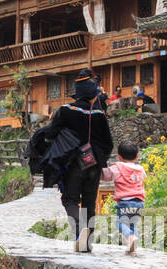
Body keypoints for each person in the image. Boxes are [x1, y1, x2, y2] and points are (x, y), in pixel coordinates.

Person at [31, 69, 114, 252]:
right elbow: (108, 143)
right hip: (95, 163)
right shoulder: (99, 114)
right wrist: (100, 158)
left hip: (73, 163)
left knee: (70, 199)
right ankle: (87, 241)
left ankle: (79, 229)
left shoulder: (66, 110)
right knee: (89, 203)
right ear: (93, 94)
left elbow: (51, 134)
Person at [102, 141, 147, 254]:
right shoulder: (140, 169)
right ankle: (132, 246)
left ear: (119, 156)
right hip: (139, 202)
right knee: (133, 224)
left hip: (125, 202)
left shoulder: (117, 167)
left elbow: (105, 176)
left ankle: (131, 238)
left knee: (120, 223)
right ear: (137, 156)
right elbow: (144, 177)